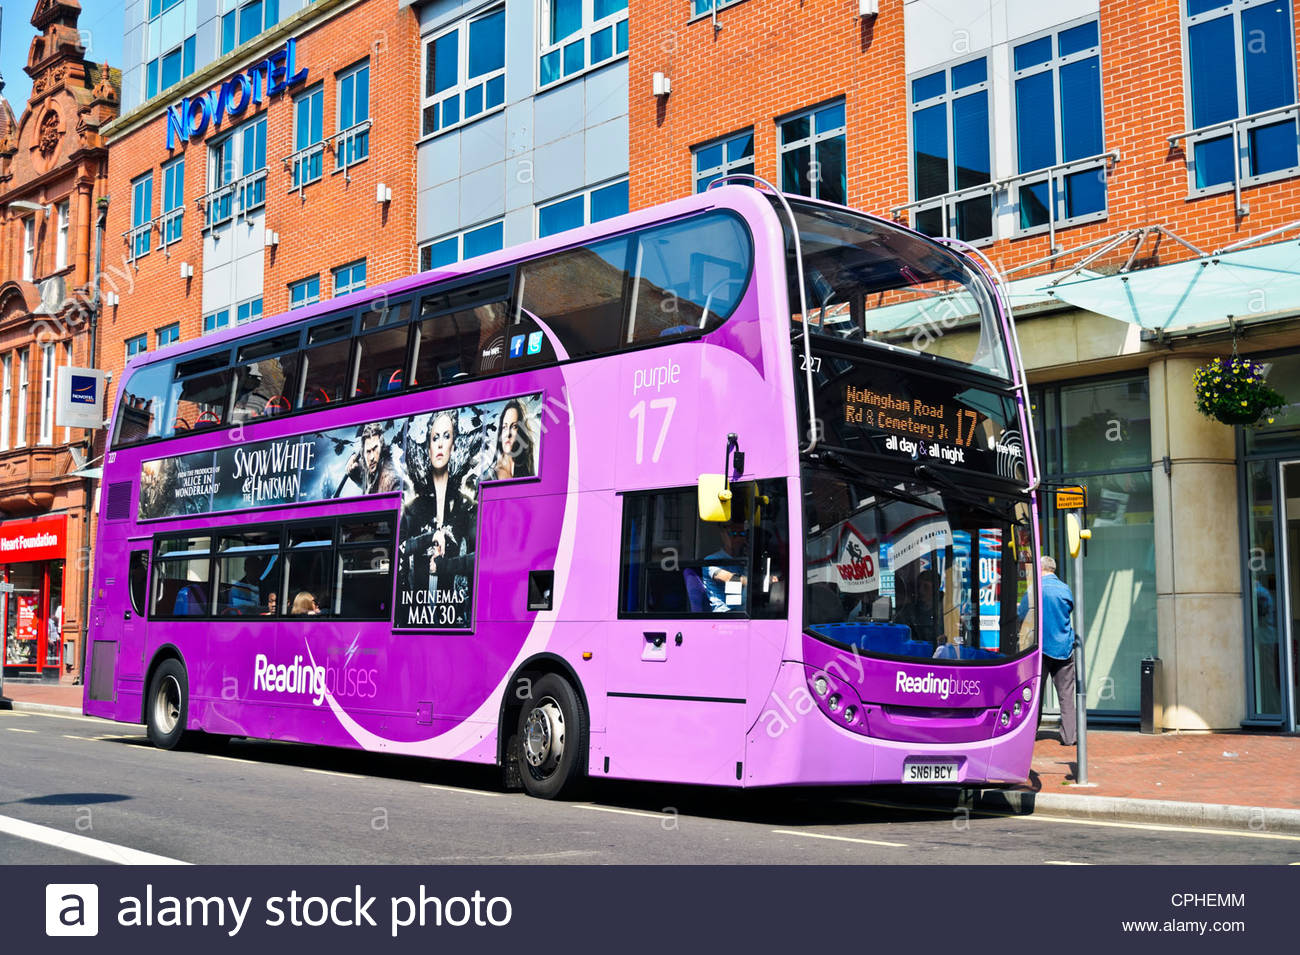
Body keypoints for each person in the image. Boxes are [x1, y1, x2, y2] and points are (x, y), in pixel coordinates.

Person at [1028, 555, 1078, 746]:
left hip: (1040, 650)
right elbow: (1069, 609)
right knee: (1066, 696)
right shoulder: (1065, 588)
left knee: (1035, 694)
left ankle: (1030, 733)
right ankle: (1069, 736)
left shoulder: (1036, 589)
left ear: (1040, 569)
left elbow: (1023, 612)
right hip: (1063, 648)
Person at [344, 422, 403, 495]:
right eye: (368, 451)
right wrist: (354, 473)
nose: (372, 457)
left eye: (375, 449)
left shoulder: (390, 478)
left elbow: (396, 488)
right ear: (363, 454)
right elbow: (370, 484)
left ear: (381, 448)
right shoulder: (371, 470)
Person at [702, 521, 748, 612]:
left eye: (742, 534)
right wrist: (754, 581)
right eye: (733, 534)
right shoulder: (711, 559)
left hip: (742, 610)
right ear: (724, 537)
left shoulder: (743, 560)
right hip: (725, 613)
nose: (738, 538)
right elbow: (728, 578)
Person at [493, 399, 535, 480]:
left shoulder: (526, 470)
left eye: (514, 426)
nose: (508, 434)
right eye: (504, 427)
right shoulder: (490, 476)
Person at [895, 569, 940, 645]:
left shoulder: (946, 610)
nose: (920, 591)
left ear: (936, 588)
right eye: (919, 586)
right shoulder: (908, 611)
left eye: (926, 587)